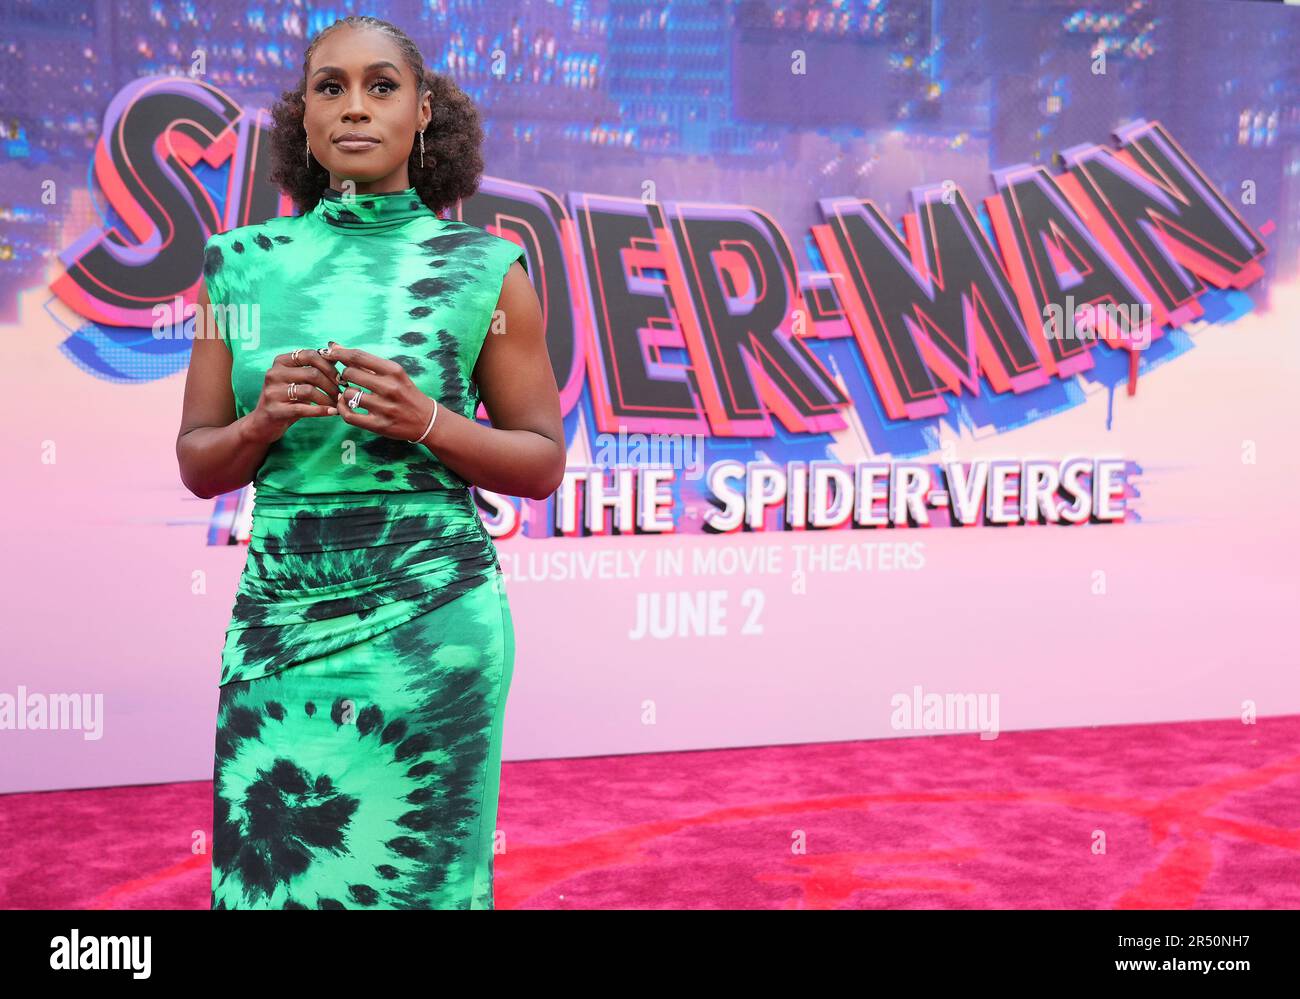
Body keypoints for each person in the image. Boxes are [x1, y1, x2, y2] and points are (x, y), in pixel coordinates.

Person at [176, 15, 565, 909]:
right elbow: (200, 464)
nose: (356, 107)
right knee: (271, 873)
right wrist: (258, 424)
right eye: (330, 87)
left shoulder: (485, 267)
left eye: (382, 86)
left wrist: (427, 419)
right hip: (280, 623)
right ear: (302, 120)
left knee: (422, 879)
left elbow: (540, 462)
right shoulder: (236, 267)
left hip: (434, 626)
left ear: (424, 111)